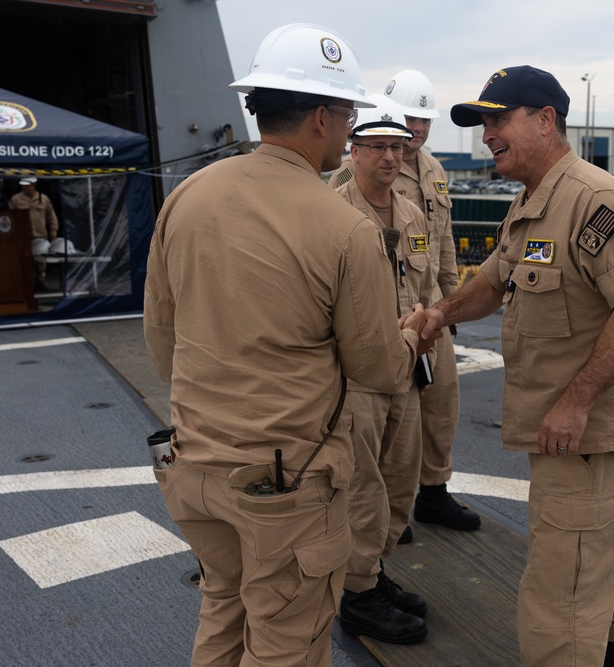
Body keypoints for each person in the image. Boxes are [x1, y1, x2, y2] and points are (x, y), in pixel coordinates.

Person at [143, 24, 438, 667]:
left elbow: (161, 345)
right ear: (324, 119)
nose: (352, 126)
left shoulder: (186, 198)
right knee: (287, 640)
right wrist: (414, 331)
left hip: (192, 467)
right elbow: (379, 370)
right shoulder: (344, 227)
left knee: (223, 610)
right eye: (351, 113)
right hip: (284, 485)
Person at [422, 65, 614, 666]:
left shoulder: (595, 200)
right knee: (587, 561)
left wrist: (576, 400)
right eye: (484, 124)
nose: (487, 135)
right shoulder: (532, 203)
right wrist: (438, 314)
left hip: (586, 438)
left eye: (498, 120)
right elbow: (493, 283)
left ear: (546, 120)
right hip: (556, 438)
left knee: (561, 600)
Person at [331, 70, 478, 539]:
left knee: (439, 408)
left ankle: (429, 493)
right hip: (376, 325)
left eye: (422, 122)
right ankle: (382, 516)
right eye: (408, 120)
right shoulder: (346, 184)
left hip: (429, 310)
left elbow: (442, 244)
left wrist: (449, 308)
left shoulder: (433, 173)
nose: (414, 131)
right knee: (379, 426)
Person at [334, 96, 436, 645]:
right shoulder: (334, 211)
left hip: (409, 362)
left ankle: (374, 569)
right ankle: (357, 593)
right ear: (353, 152)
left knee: (401, 478)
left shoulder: (413, 213)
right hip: (361, 372)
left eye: (398, 148)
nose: (390, 157)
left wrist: (431, 321)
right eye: (378, 147)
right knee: (363, 485)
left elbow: (424, 283)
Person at [10, 176, 58, 290]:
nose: (24, 187)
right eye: (23, 185)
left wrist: (53, 230)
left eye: (27, 185)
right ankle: (26, 283)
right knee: (25, 261)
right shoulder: (16, 199)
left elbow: (51, 216)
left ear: (33, 185)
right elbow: (10, 216)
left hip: (40, 235)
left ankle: (39, 281)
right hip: (23, 236)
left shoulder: (43, 198)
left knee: (41, 262)